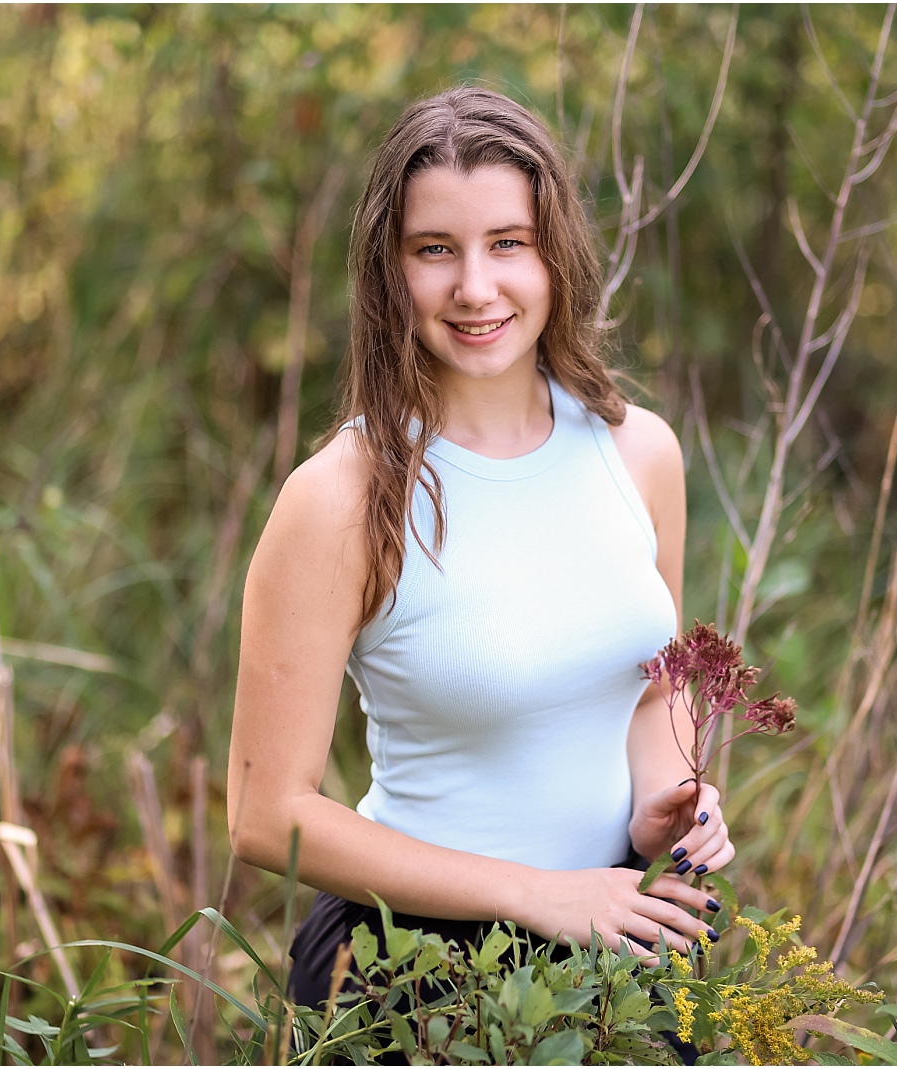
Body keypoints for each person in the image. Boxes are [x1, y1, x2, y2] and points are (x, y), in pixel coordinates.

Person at [227, 86, 733, 1009]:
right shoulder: (341, 497)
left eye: (509, 242)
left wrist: (665, 798)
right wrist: (539, 895)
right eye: (435, 250)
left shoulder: (639, 453)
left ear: (557, 255)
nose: (475, 286)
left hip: (624, 943)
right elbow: (269, 816)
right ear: (391, 270)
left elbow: (654, 683)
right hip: (415, 975)